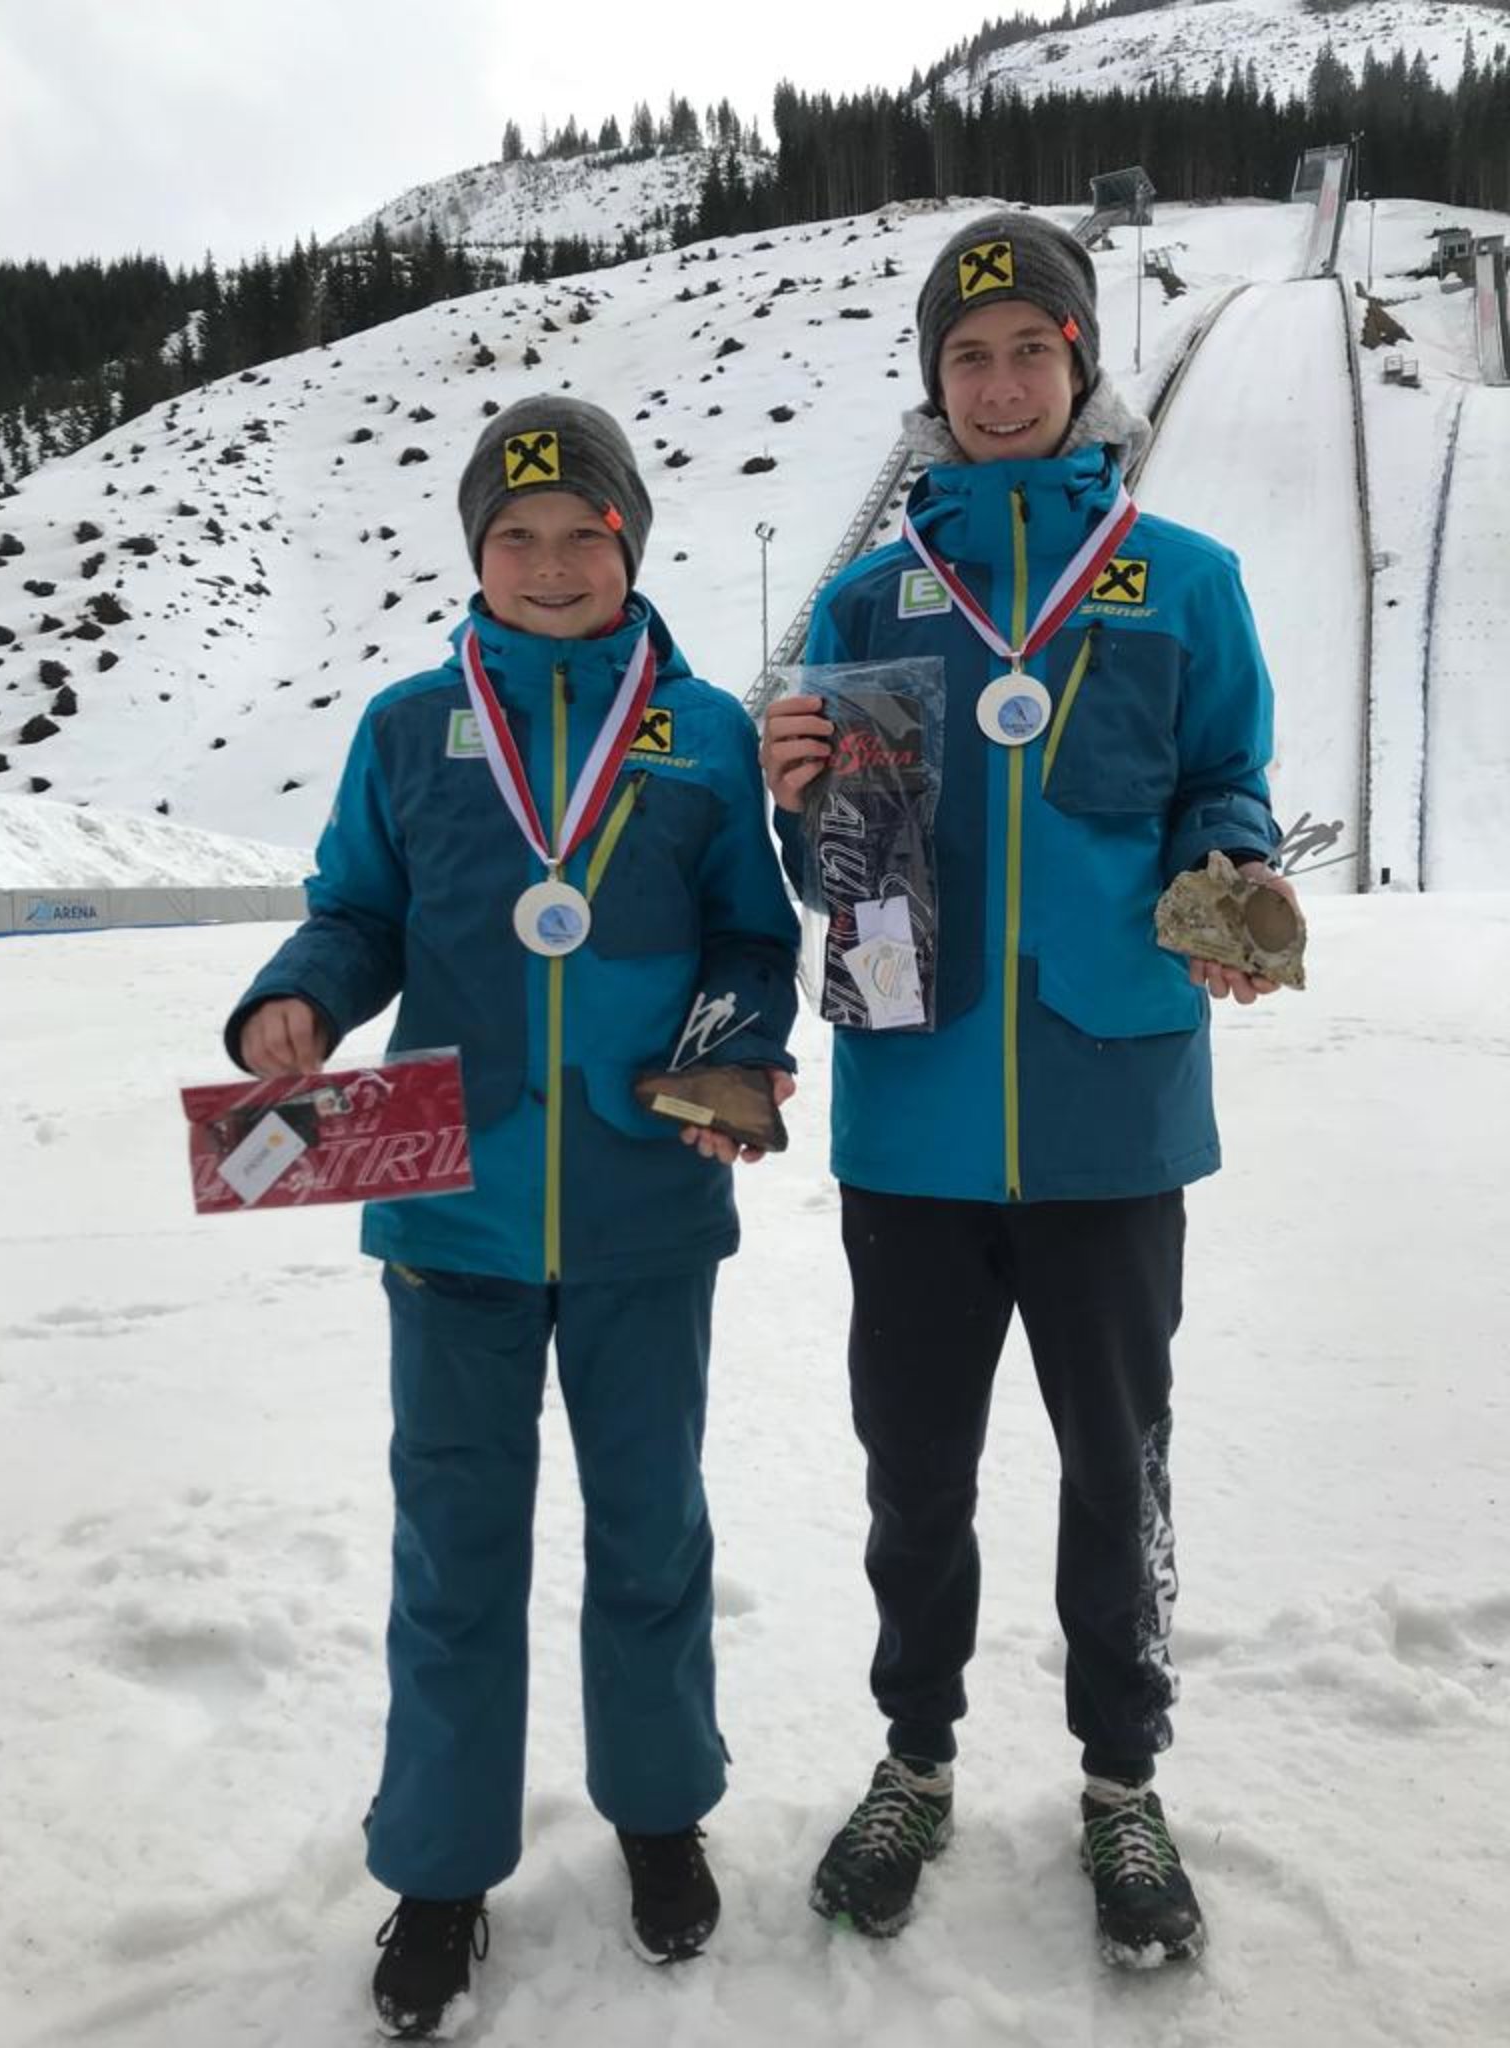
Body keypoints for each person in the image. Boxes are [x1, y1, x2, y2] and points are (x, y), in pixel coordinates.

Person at [226, 395, 798, 2039]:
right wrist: (297, 1005)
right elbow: (356, 911)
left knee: (651, 1538)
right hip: (451, 1212)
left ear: (631, 541)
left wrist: (735, 1052)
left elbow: (751, 947)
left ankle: (660, 1815)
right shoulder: (413, 726)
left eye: (582, 535)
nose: (549, 565)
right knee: (453, 1557)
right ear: (476, 554)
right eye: (515, 538)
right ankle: (440, 1869)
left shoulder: (696, 732)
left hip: (642, 1212)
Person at [762, 211, 1296, 1968]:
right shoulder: (863, 593)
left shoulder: (1184, 577)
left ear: (1083, 367)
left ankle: (1122, 1783)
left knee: (1111, 1462)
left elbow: (1228, 777)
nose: (999, 384)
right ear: (935, 384)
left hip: (1110, 1105)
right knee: (912, 1468)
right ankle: (915, 1756)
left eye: (1031, 351)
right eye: (968, 357)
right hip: (912, 1115)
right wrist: (794, 800)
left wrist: (1231, 872)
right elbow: (831, 867)